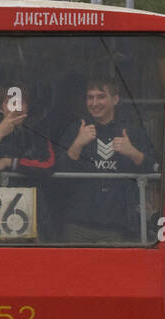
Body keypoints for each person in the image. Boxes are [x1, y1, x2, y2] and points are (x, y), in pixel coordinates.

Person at [59, 77, 154, 242]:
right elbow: (56, 171)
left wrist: (133, 153)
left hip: (117, 227)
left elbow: (155, 169)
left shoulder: (132, 132)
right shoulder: (75, 129)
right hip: (76, 225)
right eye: (90, 97)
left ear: (115, 99)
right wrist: (77, 145)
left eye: (101, 96)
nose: (94, 103)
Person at [0, 85, 56, 185]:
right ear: (0, 108)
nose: (16, 108)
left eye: (21, 102)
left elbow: (49, 166)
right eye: (11, 102)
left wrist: (8, 162)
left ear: (27, 108)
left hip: (31, 197)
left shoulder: (38, 137)